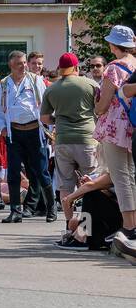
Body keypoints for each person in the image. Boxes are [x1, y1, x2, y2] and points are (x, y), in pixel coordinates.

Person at [40, 53, 96, 232]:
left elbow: (45, 118)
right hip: (87, 139)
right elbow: (101, 109)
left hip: (63, 140)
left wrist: (59, 119)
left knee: (65, 185)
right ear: (77, 68)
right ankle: (87, 228)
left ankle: (70, 226)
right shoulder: (91, 85)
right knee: (90, 182)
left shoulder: (52, 89)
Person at [0, 50, 50, 223]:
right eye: (19, 63)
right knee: (13, 172)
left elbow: (45, 107)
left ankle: (51, 207)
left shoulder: (35, 80)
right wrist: (2, 128)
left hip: (34, 130)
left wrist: (48, 127)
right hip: (14, 132)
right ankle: (15, 210)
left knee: (40, 170)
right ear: (11, 65)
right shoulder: (3, 85)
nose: (23, 66)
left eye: (25, 62)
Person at [93, 26, 136, 243]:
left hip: (115, 126)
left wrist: (96, 106)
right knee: (130, 175)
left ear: (113, 45)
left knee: (120, 177)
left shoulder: (113, 68)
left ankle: (129, 226)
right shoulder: (134, 64)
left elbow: (103, 105)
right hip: (131, 124)